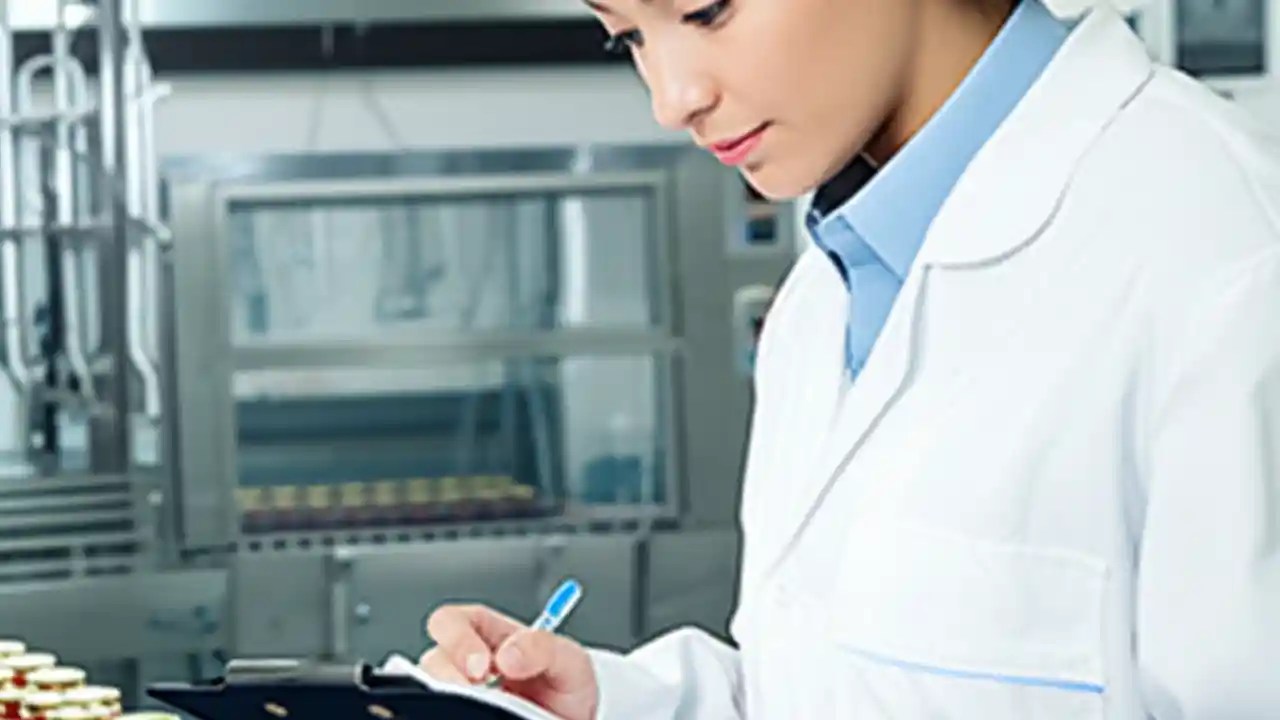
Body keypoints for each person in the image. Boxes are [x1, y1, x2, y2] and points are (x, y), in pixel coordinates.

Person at [420, 0, 1280, 716]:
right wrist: (608, 702)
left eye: (705, 10)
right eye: (631, 36)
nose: (671, 97)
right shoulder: (825, 295)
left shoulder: (1225, 251)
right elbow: (834, 685)